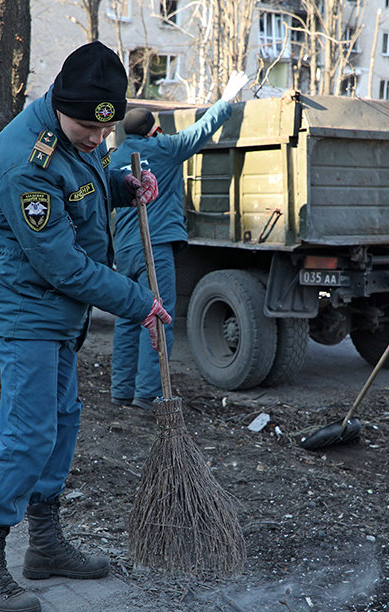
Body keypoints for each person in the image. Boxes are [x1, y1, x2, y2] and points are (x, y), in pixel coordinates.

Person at [0, 41, 169, 612]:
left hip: (59, 312)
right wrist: (138, 302)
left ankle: (46, 544)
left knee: (63, 422)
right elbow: (63, 265)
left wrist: (126, 191)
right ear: (60, 105)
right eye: (87, 129)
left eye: (105, 132)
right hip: (28, 307)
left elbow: (86, 186)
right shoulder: (25, 161)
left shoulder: (79, 133)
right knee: (28, 434)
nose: (97, 141)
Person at [109, 71, 250, 409]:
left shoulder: (113, 158)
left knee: (129, 319)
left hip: (125, 249)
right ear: (152, 129)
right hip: (154, 247)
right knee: (158, 318)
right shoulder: (165, 149)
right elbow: (201, 130)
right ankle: (149, 394)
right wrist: (227, 99)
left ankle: (121, 392)